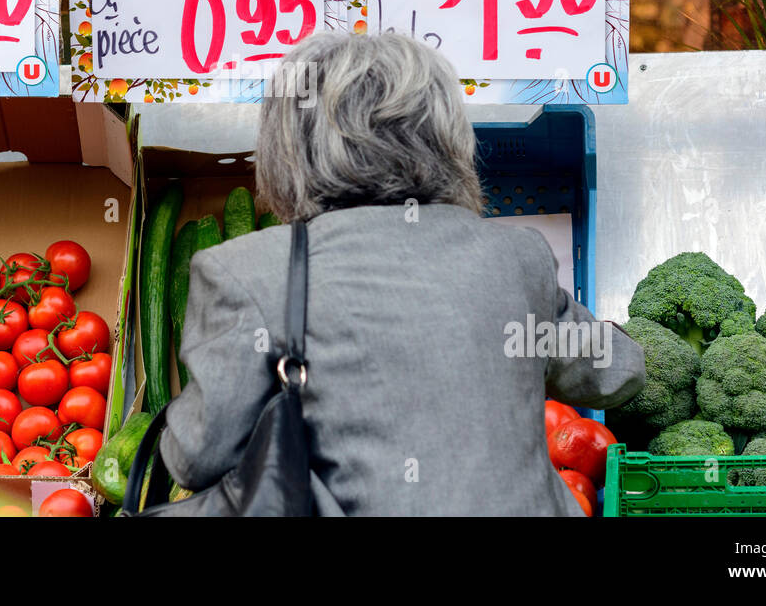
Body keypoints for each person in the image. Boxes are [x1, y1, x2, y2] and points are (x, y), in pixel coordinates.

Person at [159, 33, 644, 515]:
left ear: (287, 149)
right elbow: (616, 373)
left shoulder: (246, 271)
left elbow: (195, 455)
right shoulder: (516, 255)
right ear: (446, 137)